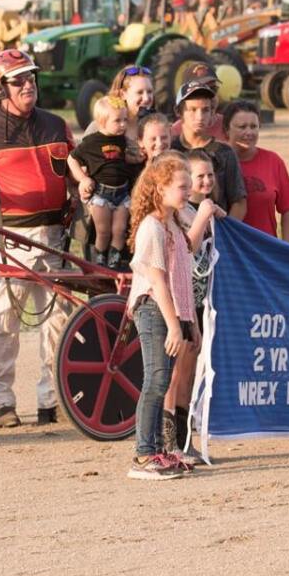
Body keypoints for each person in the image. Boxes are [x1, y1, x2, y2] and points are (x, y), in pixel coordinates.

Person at [0, 48, 75, 427]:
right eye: (19, 80)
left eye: (31, 77)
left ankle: (51, 399)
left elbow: (75, 172)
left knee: (57, 319)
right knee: (5, 322)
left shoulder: (58, 125)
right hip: (9, 236)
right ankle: (3, 402)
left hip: (55, 234)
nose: (29, 85)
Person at [125, 152, 203, 480]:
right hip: (154, 310)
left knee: (163, 379)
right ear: (161, 188)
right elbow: (157, 281)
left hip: (172, 311)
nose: (188, 192)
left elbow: (184, 276)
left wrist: (191, 324)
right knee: (156, 380)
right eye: (182, 186)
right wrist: (174, 325)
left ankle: (159, 450)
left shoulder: (172, 222)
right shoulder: (152, 228)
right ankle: (144, 454)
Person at [164, 149, 221, 456]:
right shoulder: (179, 213)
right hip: (178, 301)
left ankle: (184, 440)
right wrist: (205, 214)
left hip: (197, 300)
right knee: (175, 373)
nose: (203, 182)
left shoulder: (196, 211)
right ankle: (169, 439)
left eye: (209, 175)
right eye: (197, 177)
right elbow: (188, 248)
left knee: (189, 371)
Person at [68, 93, 144, 269]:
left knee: (119, 230)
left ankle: (114, 258)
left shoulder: (122, 140)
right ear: (102, 121)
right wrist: (83, 179)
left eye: (125, 119)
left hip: (122, 193)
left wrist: (137, 159)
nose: (123, 124)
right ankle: (100, 256)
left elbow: (122, 160)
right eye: (118, 121)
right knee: (103, 231)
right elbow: (72, 159)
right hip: (101, 193)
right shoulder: (91, 142)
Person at [169, 76, 247, 221]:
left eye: (205, 110)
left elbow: (239, 202)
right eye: (192, 110)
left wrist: (225, 234)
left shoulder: (224, 153)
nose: (200, 117)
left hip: (215, 233)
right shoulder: (169, 152)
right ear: (179, 112)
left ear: (212, 114)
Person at [221, 99, 289, 242]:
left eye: (253, 126)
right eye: (242, 127)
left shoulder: (273, 161)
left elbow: (287, 210)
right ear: (226, 129)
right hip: (230, 250)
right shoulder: (217, 163)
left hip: (265, 251)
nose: (249, 132)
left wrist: (287, 248)